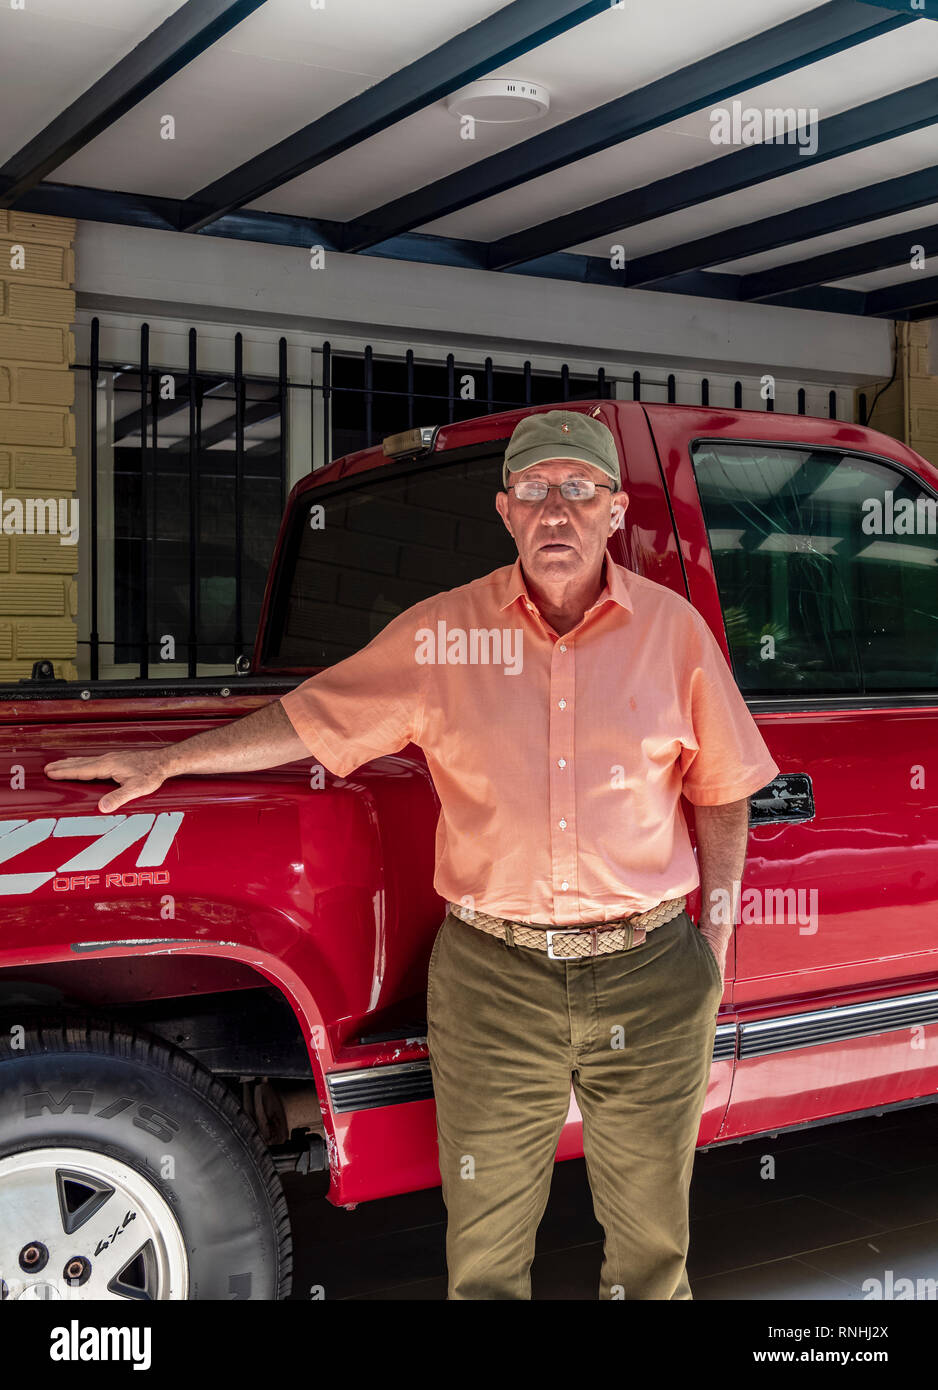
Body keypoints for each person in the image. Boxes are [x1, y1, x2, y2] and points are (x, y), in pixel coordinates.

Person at [45, 407, 779, 1299]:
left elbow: (724, 793)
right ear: (505, 511)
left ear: (614, 511)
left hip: (653, 970)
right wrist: (169, 759)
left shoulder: (675, 635)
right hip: (496, 979)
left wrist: (717, 942)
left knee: (655, 1249)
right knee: (485, 1254)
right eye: (536, 491)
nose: (557, 512)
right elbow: (310, 716)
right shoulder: (441, 635)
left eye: (579, 490)